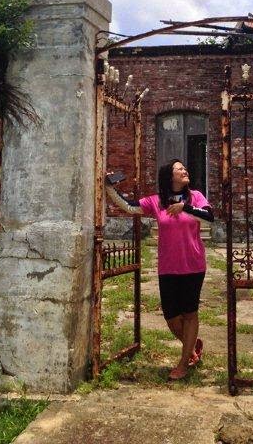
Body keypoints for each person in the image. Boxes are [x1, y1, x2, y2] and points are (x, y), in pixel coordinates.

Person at [106, 158, 214, 380]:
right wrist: (107, 187)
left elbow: (210, 218)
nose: (185, 170)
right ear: (169, 176)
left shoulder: (196, 197)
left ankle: (184, 362)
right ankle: (193, 345)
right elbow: (129, 206)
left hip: (193, 264)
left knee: (190, 312)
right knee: (171, 316)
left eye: (185, 167)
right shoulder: (157, 201)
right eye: (179, 169)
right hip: (168, 267)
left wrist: (186, 207)